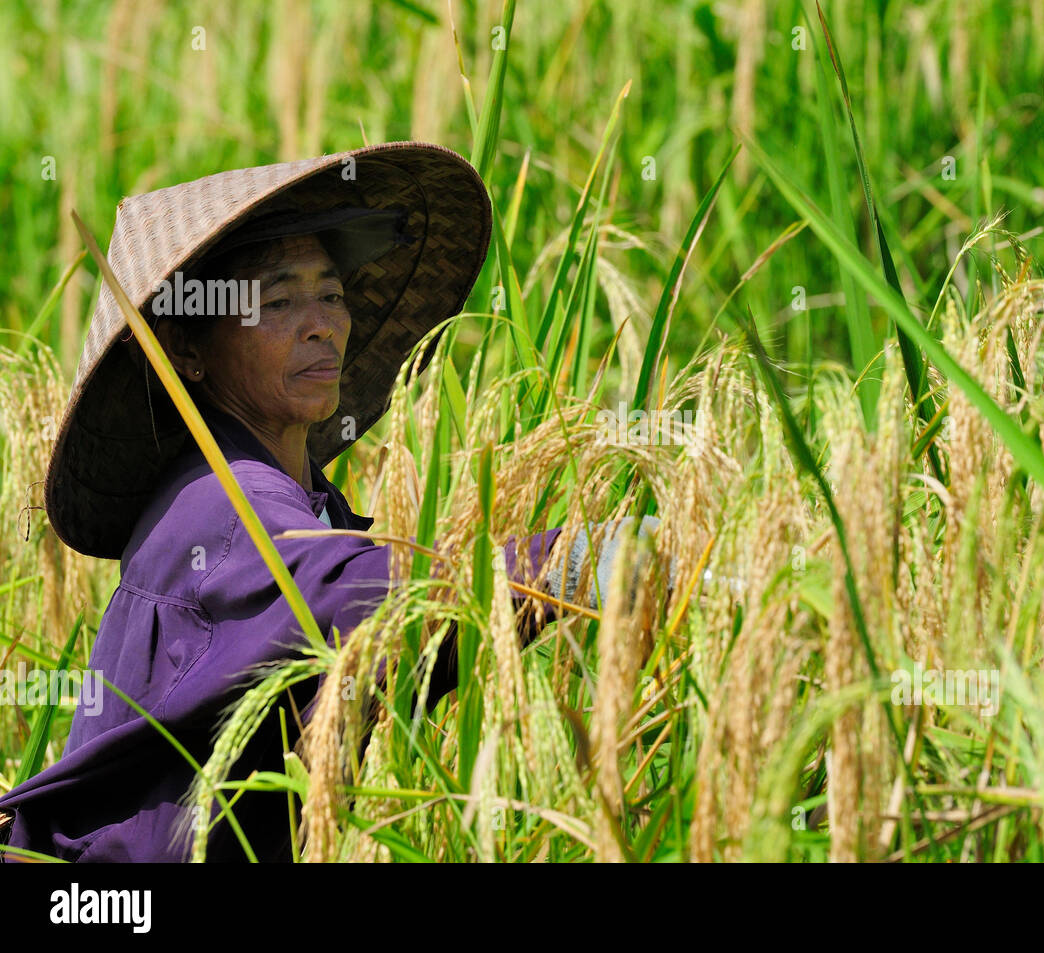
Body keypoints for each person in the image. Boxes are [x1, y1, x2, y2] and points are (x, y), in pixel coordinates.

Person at [0, 143, 657, 863]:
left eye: (332, 294)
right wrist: (583, 561)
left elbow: (388, 646)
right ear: (189, 349)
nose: (323, 324)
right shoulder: (219, 504)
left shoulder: (309, 503)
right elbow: (354, 598)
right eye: (278, 301)